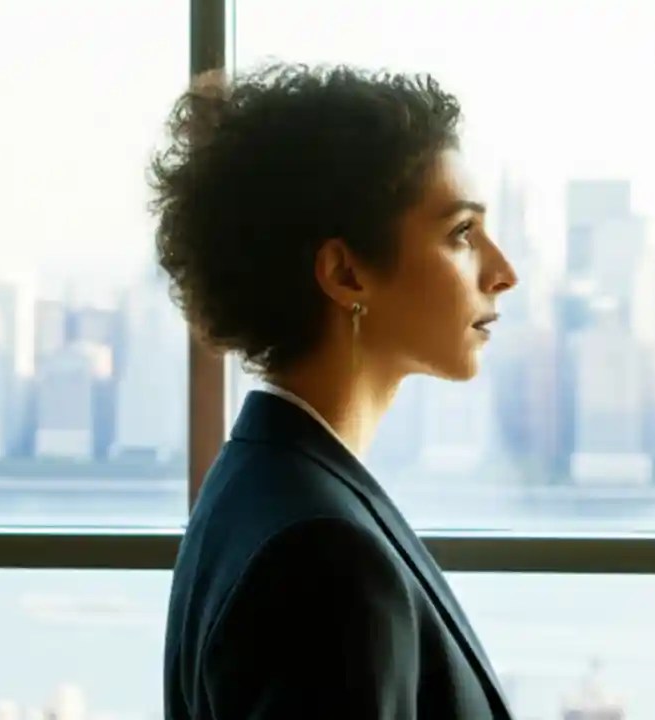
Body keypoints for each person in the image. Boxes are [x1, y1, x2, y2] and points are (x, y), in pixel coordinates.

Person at [153, 63, 518, 719]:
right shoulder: (327, 561)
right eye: (461, 233)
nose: (502, 272)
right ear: (346, 272)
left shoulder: (254, 483)